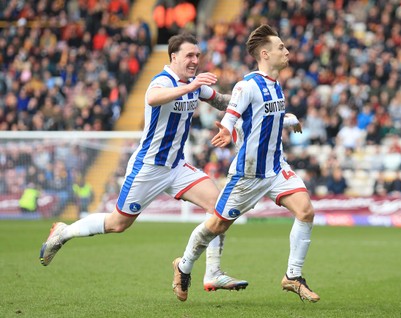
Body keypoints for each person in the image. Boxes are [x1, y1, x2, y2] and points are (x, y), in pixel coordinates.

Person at [39, 32, 248, 293]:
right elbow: (152, 98)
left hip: (176, 167)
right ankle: (64, 232)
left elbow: (220, 100)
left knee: (219, 207)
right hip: (148, 168)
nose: (195, 60)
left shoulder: (194, 83)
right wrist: (190, 87)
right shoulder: (162, 81)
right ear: (174, 57)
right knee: (118, 224)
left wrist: (247, 99)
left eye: (197, 55)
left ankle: (210, 272)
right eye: (189, 55)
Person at [172, 25, 320, 303]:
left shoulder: (276, 86)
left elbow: (269, 118)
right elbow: (231, 114)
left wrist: (290, 120)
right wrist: (227, 129)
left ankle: (292, 276)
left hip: (276, 169)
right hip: (248, 174)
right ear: (265, 54)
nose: (286, 52)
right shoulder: (247, 85)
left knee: (306, 211)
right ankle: (184, 266)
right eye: (281, 48)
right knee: (216, 225)